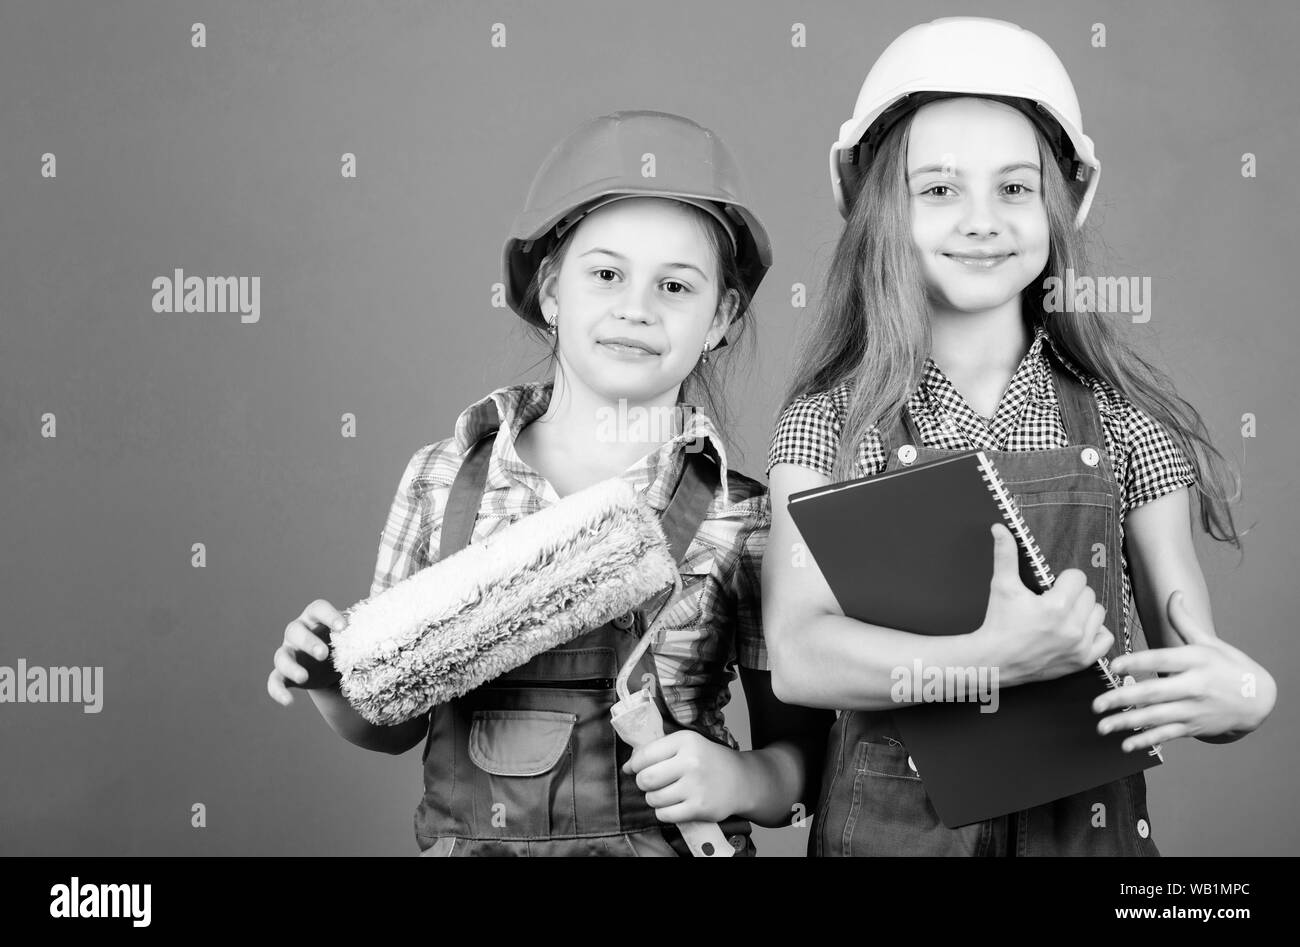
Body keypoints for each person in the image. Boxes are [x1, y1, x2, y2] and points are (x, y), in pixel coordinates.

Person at [763, 17, 1276, 856]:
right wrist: (989, 659)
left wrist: (1245, 694)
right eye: (938, 189)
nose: (981, 220)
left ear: (1058, 206)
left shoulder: (1126, 426)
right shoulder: (831, 423)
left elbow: (1190, 664)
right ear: (880, 212)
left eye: (1014, 188)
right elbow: (799, 653)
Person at [268, 110, 832, 856]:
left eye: (675, 286)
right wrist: (332, 683)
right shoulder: (444, 481)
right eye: (605, 273)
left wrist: (735, 780)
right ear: (551, 290)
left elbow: (801, 763)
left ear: (722, 315)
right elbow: (394, 723)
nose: (636, 306)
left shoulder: (743, 517)